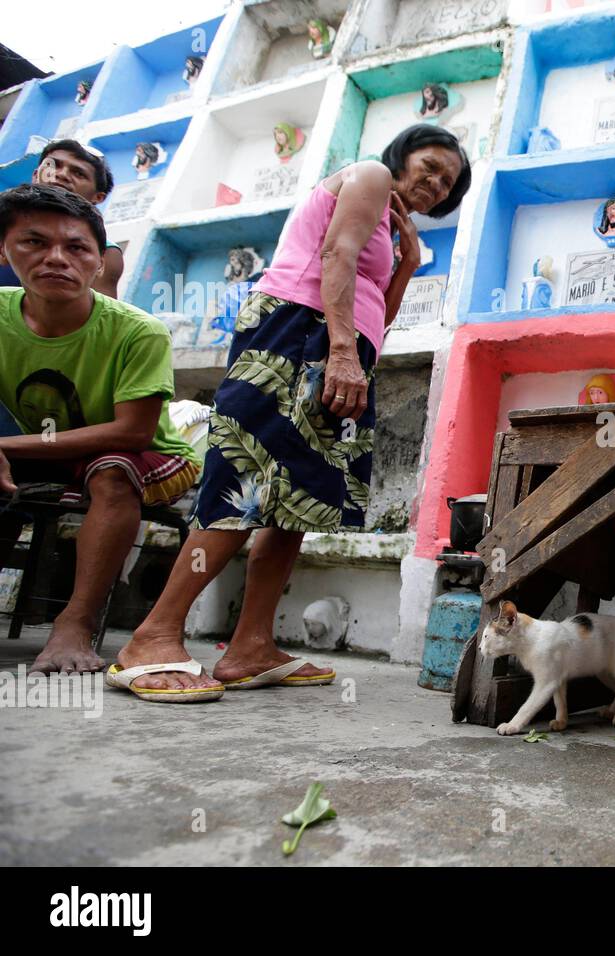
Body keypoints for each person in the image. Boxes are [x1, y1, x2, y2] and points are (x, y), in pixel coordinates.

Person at [111, 124, 471, 702]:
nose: (435, 183)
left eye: (447, 182)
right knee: (243, 482)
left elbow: (378, 306)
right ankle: (154, 634)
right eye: (429, 166)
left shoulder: (390, 221)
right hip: (298, 335)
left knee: (296, 502)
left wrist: (408, 261)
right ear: (401, 158)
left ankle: (250, 646)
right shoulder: (370, 176)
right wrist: (341, 351)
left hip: (339, 345)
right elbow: (335, 255)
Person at [0, 184, 200, 673]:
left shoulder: (138, 331)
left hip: (151, 454)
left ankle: (75, 623)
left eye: (76, 247)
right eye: (34, 243)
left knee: (110, 470)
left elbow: (131, 433)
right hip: (53, 451)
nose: (56, 259)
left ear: (98, 263)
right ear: (4, 250)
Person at [0, 140, 123, 296]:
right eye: (53, 166)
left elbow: (100, 316)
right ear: (36, 175)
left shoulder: (105, 252)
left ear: (98, 197)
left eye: (78, 173)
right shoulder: (4, 223)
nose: (62, 174)